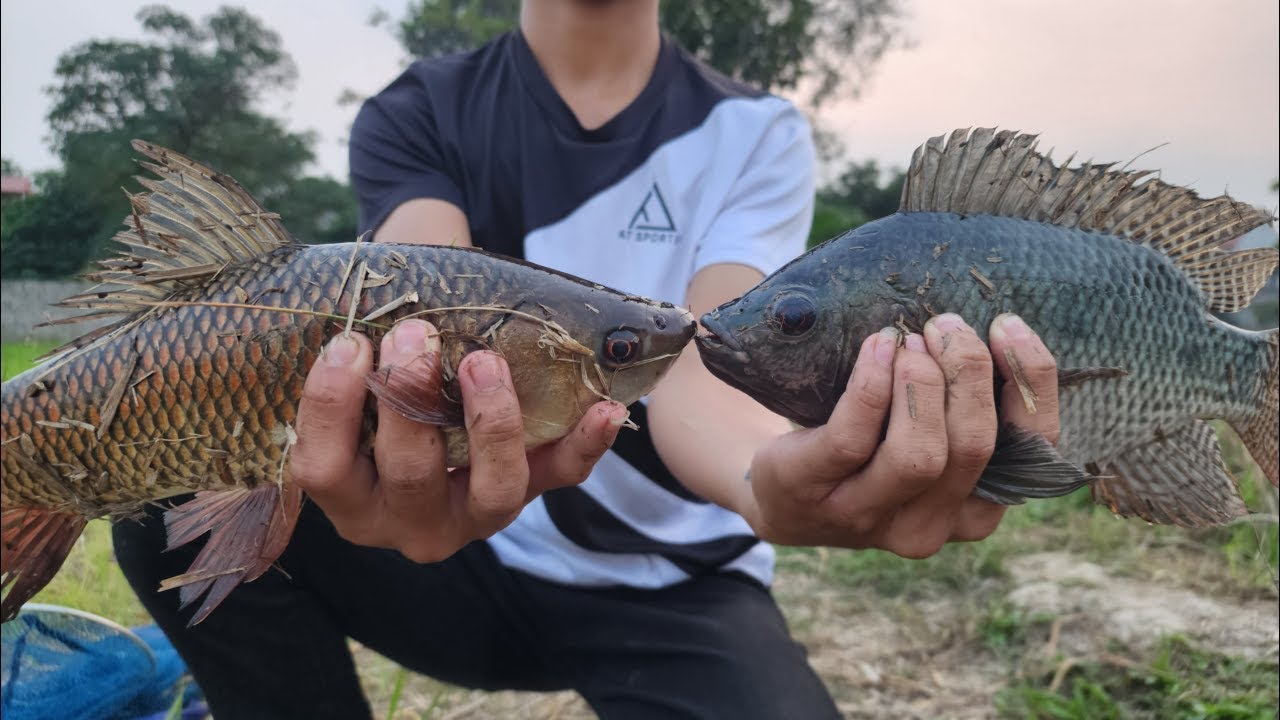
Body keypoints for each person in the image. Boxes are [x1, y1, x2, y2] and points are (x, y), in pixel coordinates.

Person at [112, 1, 1063, 717]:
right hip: (466, 559)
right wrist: (408, 427)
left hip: (681, 590)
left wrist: (770, 482)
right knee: (161, 518)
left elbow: (707, 356)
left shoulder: (756, 131)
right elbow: (419, 303)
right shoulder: (418, 111)